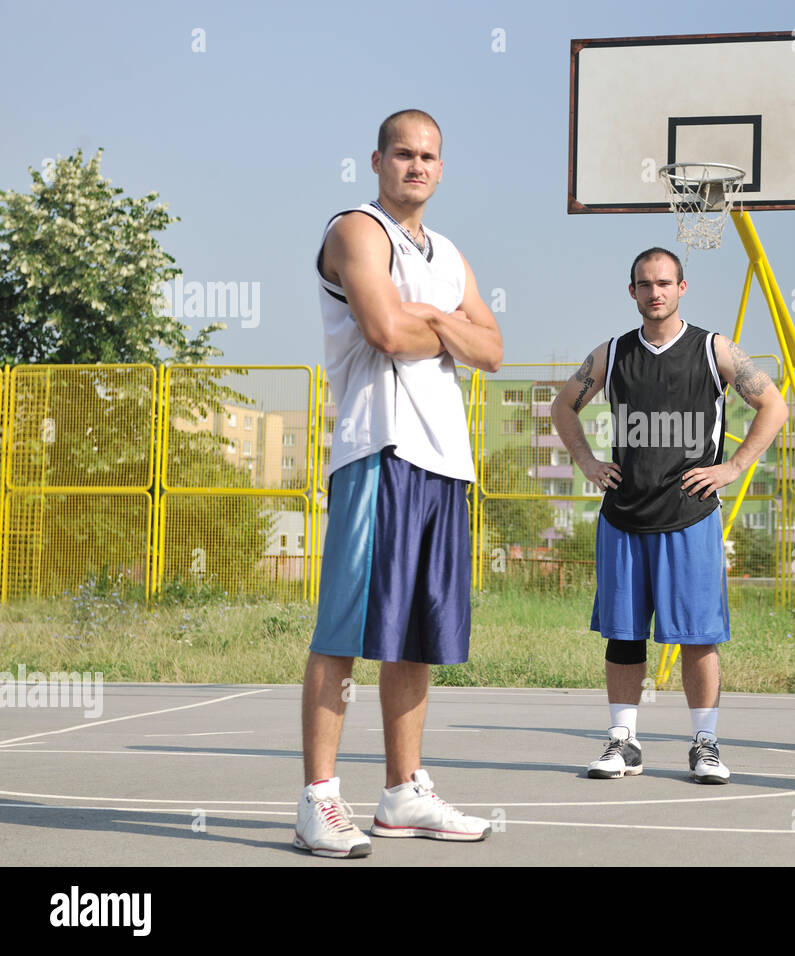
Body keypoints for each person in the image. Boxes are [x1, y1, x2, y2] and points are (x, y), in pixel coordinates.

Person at [294, 109, 503, 858]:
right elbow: (384, 331)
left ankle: (402, 792)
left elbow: (494, 349)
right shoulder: (356, 230)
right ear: (377, 160)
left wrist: (432, 318)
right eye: (404, 153)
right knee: (346, 629)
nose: (417, 166)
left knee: (413, 635)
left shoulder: (448, 253)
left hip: (442, 459)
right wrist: (448, 326)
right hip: (375, 449)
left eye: (429, 156)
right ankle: (319, 798)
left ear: (441, 169)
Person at [550, 247, 787, 784]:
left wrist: (734, 466)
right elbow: (563, 406)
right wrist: (586, 460)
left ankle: (705, 743)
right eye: (644, 284)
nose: (654, 292)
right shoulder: (611, 354)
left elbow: (774, 404)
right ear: (631, 291)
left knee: (697, 635)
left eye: (664, 283)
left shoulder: (713, 349)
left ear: (683, 287)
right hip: (624, 513)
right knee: (625, 634)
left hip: (690, 513)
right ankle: (622, 741)